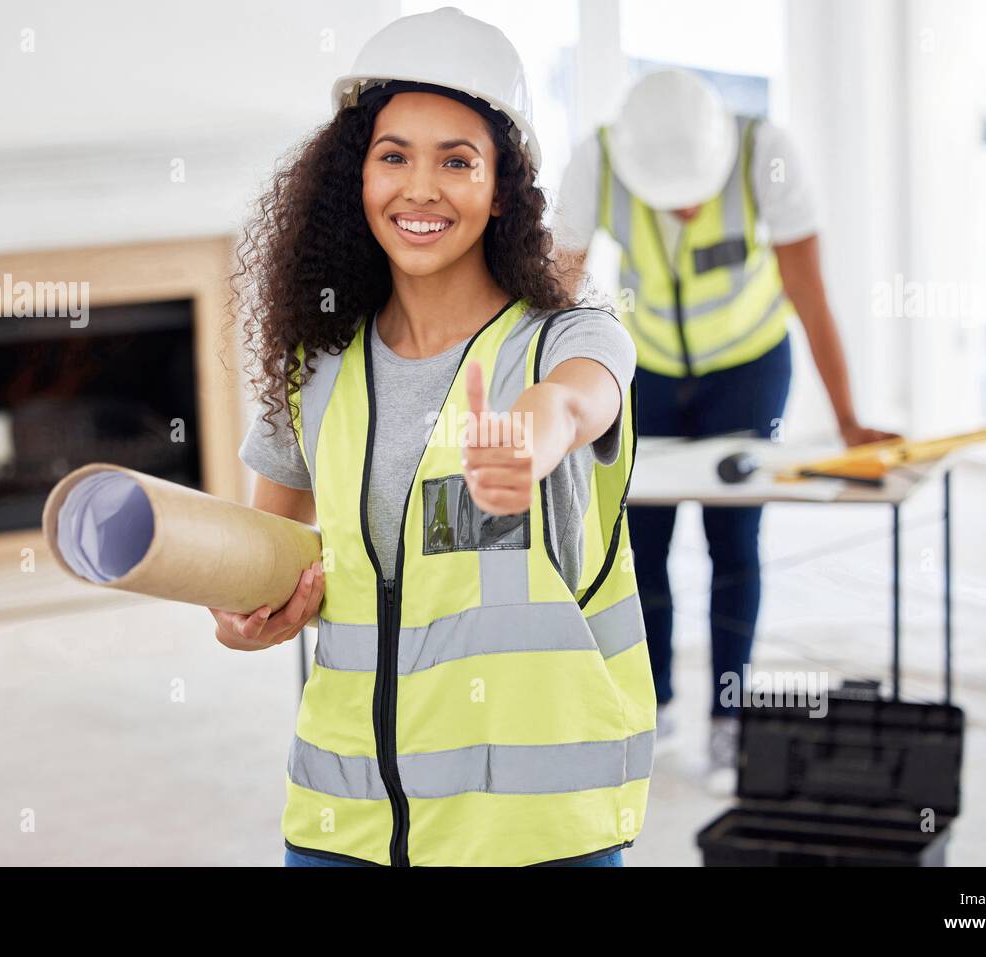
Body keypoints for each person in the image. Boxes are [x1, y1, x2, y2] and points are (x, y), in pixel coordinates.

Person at [213, 8, 655, 867]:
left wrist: (530, 436)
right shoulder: (318, 366)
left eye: (457, 161)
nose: (420, 188)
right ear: (355, 176)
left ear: (502, 187)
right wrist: (244, 613)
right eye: (393, 157)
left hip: (537, 832)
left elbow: (577, 402)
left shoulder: (568, 339)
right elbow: (269, 554)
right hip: (343, 821)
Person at [552, 70, 897, 788]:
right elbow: (558, 290)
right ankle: (655, 704)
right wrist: (544, 406)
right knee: (640, 541)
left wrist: (848, 421)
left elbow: (808, 290)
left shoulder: (766, 152)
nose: (686, 206)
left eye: (697, 192)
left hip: (749, 368)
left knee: (734, 540)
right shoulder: (598, 160)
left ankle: (728, 719)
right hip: (646, 367)